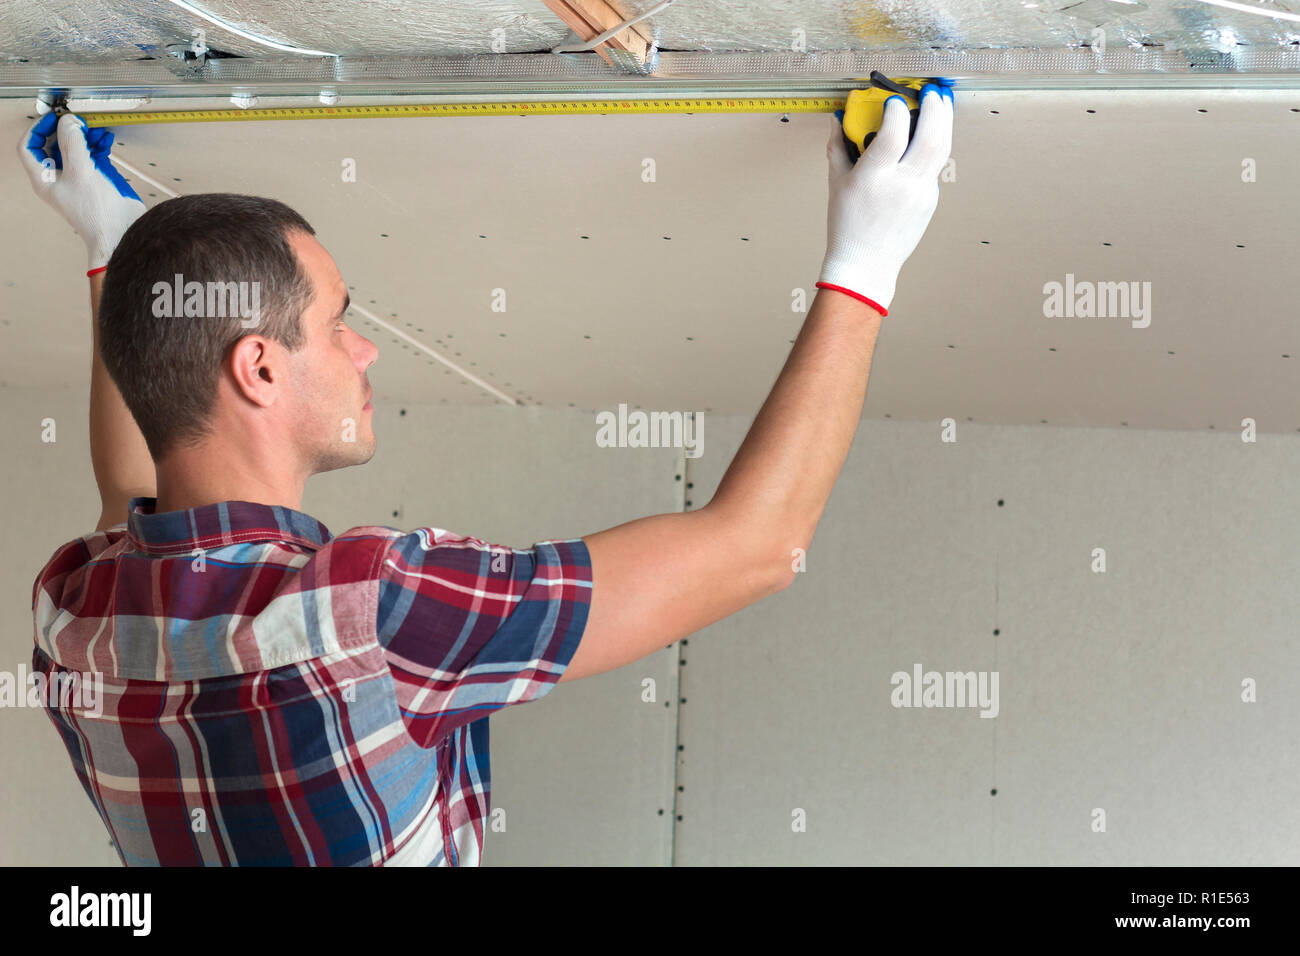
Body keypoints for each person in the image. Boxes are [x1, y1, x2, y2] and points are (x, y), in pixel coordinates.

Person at [22, 86, 953, 865]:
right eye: (340, 321)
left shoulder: (77, 611)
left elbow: (131, 484)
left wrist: (120, 258)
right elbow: (756, 550)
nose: (366, 350)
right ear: (259, 369)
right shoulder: (369, 608)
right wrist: (866, 265)